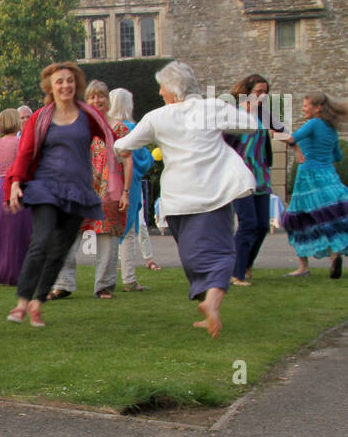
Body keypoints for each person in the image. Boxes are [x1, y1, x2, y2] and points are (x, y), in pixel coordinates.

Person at [113, 61, 259, 337]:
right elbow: (251, 125)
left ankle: (209, 301)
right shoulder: (212, 108)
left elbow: (123, 144)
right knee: (221, 252)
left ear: (173, 89)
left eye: (162, 87)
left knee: (193, 254)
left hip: (178, 198)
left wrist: (122, 152)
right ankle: (212, 304)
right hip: (213, 194)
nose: (159, 92)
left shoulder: (157, 117)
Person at [6, 63, 125, 327]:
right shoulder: (40, 117)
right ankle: (21, 303)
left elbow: (110, 135)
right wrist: (15, 182)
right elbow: (25, 152)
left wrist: (119, 167)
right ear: (51, 86)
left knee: (60, 249)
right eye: (59, 81)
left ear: (76, 84)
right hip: (45, 188)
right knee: (42, 241)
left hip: (78, 192)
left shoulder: (88, 116)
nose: (65, 86)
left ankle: (38, 303)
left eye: (70, 81)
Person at [275, 93, 348, 278]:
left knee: (297, 220)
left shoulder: (313, 124)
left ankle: (303, 267)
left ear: (318, 108)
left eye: (305, 105)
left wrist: (272, 132)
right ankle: (334, 255)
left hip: (309, 177)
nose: (303, 109)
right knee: (330, 216)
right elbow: (338, 155)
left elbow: (290, 139)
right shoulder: (331, 129)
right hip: (329, 176)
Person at [48, 80, 131, 300]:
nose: (97, 100)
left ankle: (104, 285)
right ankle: (63, 283)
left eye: (101, 96)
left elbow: (127, 161)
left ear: (108, 99)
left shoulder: (119, 128)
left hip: (109, 190)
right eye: (93, 97)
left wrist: (126, 192)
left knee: (106, 239)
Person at [227, 74, 280, 286]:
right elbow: (226, 144)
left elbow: (281, 134)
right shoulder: (234, 114)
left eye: (265, 91)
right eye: (259, 91)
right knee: (247, 222)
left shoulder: (263, 115)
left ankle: (245, 264)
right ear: (247, 92)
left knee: (262, 225)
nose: (263, 95)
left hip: (260, 175)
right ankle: (235, 273)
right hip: (240, 175)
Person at [108, 89, 154, 292]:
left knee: (109, 231)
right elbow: (142, 159)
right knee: (128, 231)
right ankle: (129, 278)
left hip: (108, 183)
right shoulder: (129, 128)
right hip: (128, 182)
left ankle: (106, 278)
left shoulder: (107, 127)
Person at [0, 108, 32, 287]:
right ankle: (19, 272)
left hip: (1, 186)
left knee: (5, 233)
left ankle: (4, 271)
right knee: (21, 231)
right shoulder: (20, 142)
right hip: (17, 186)